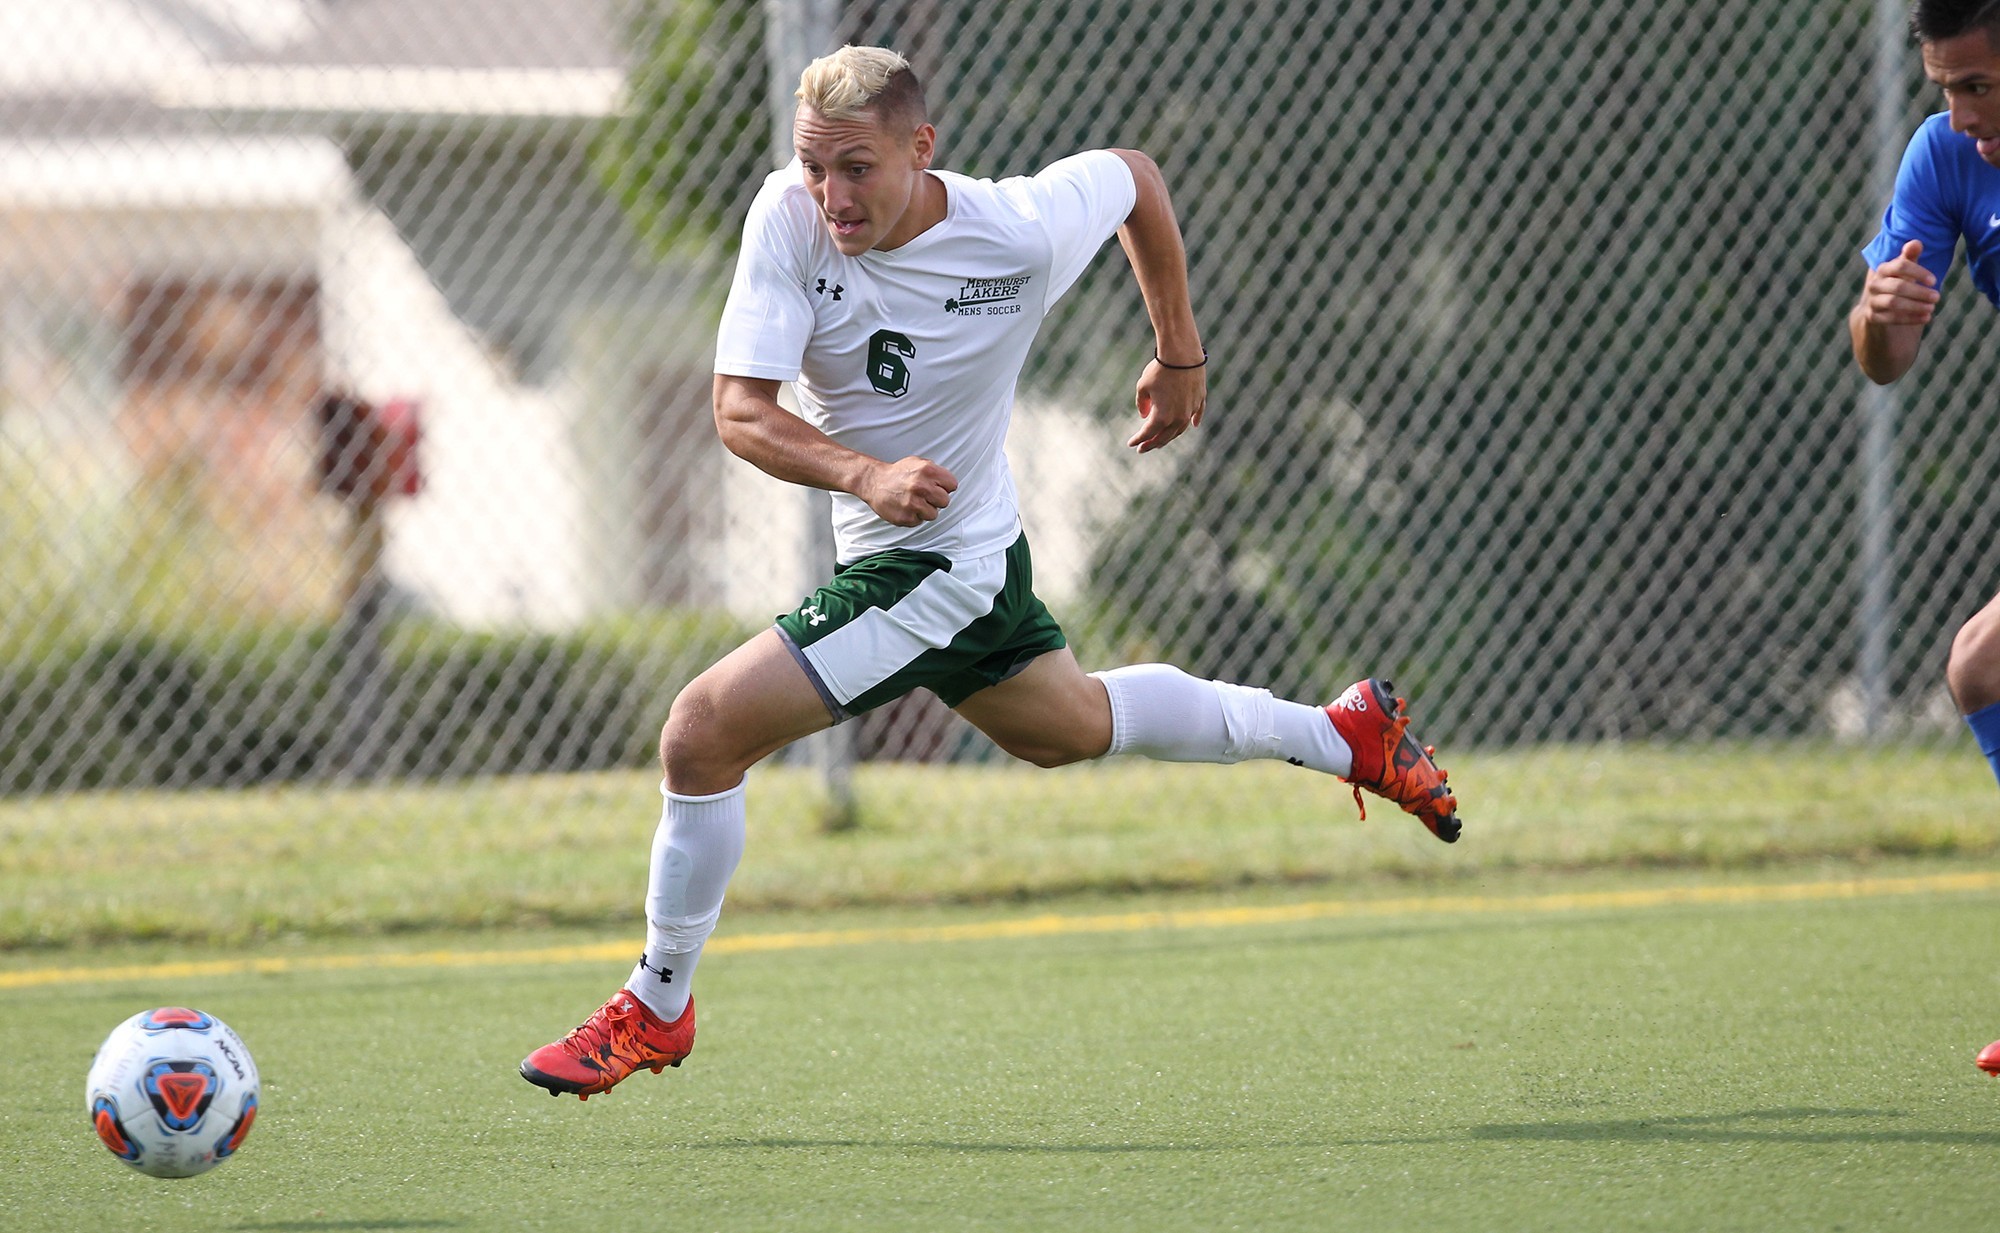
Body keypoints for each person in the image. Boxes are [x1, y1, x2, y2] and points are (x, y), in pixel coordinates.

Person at [519, 45, 1461, 1100]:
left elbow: (1135, 179)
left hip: (943, 565)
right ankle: (1341, 736)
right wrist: (863, 473)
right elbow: (739, 412)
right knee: (1067, 728)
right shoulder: (786, 216)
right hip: (919, 543)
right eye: (813, 165)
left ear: (921, 150)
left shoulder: (1009, 232)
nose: (830, 194)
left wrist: (1179, 352)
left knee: (699, 732)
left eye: (857, 168)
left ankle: (655, 1007)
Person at [1850, 0, 2000, 790]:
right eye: (1946, 89)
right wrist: (1880, 311)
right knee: (1983, 669)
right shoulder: (1945, 155)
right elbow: (1887, 358)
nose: (1962, 116)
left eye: (1979, 86)